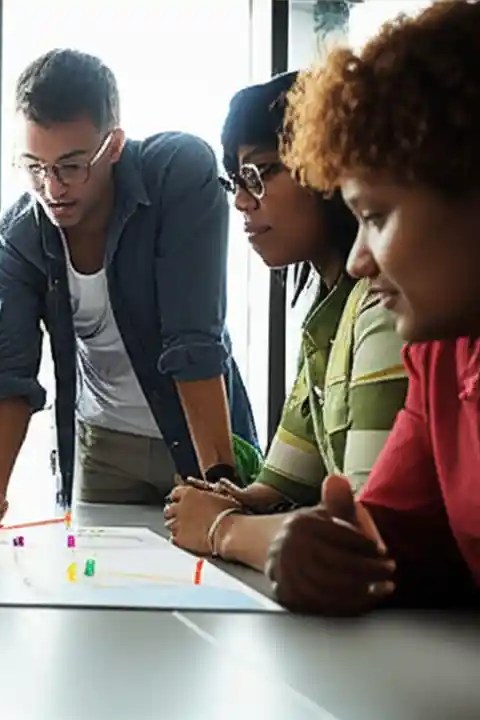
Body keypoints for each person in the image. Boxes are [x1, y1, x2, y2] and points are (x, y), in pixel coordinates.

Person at [0, 49, 259, 528]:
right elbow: (11, 372)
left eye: (71, 166)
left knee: (215, 584)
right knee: (97, 588)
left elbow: (193, 341)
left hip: (201, 436)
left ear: (113, 145)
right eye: (34, 166)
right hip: (105, 447)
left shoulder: (178, 173)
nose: (52, 188)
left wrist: (219, 483)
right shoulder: (17, 238)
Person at [266, 0, 480, 615]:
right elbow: (391, 538)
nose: (360, 260)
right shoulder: (441, 357)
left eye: (377, 217)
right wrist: (323, 553)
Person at [164, 72, 408, 571]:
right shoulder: (327, 311)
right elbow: (276, 490)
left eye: (260, 174)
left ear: (325, 170)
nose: (240, 202)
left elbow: (365, 533)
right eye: (236, 181)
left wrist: (221, 528)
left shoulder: (384, 301)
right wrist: (223, 503)